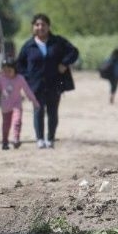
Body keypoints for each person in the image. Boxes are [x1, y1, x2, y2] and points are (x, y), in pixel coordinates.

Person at [16, 13, 79, 149]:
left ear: (48, 26)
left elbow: (74, 52)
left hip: (54, 83)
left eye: (43, 25)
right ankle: (39, 139)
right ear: (33, 27)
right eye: (37, 25)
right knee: (38, 110)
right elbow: (19, 65)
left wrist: (64, 63)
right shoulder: (28, 46)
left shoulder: (58, 42)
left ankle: (50, 139)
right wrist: (28, 78)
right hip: (36, 85)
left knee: (52, 112)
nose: (40, 27)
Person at [0, 58, 40, 150]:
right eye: (4, 70)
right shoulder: (2, 78)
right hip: (5, 107)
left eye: (9, 70)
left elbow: (27, 90)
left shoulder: (20, 79)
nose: (7, 73)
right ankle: (5, 141)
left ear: (15, 69)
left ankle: (16, 139)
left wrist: (34, 101)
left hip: (16, 105)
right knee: (6, 125)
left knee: (17, 121)